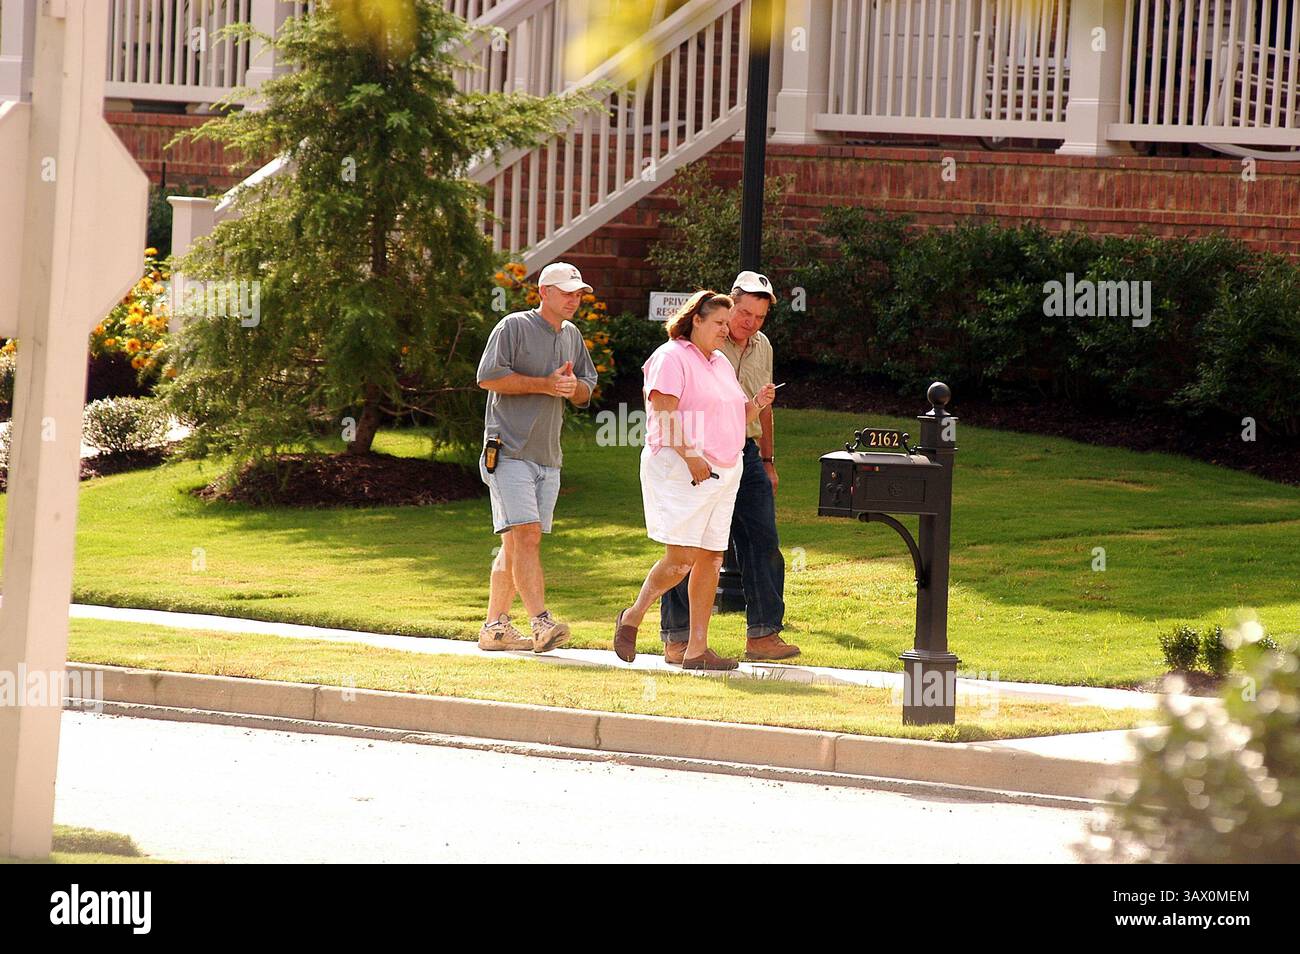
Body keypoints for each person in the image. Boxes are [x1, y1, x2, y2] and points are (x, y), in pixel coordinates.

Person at [613, 290, 777, 671]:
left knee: (711, 558)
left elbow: (738, 413)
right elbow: (664, 413)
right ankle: (633, 615)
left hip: (724, 470)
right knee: (682, 558)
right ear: (696, 320)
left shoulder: (718, 362)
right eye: (719, 323)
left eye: (726, 323)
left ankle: (697, 650)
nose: (726, 330)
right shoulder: (670, 357)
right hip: (682, 469)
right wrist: (691, 457)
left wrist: (758, 402)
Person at [659, 271, 800, 664]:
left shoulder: (763, 347)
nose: (748, 323)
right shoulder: (700, 347)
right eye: (743, 314)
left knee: (763, 541)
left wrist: (769, 460)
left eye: (759, 317)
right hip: (701, 454)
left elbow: (763, 407)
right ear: (729, 303)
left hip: (746, 453)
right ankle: (677, 638)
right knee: (689, 545)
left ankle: (763, 635)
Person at [475, 262, 599, 653]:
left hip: (548, 456)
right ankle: (541, 622)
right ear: (543, 292)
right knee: (527, 536)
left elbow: (587, 389)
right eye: (568, 293)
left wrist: (571, 386)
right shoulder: (513, 327)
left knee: (516, 544)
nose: (575, 300)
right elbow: (488, 377)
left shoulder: (573, 335)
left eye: (579, 294)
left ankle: (494, 629)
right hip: (507, 450)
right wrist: (544, 385)